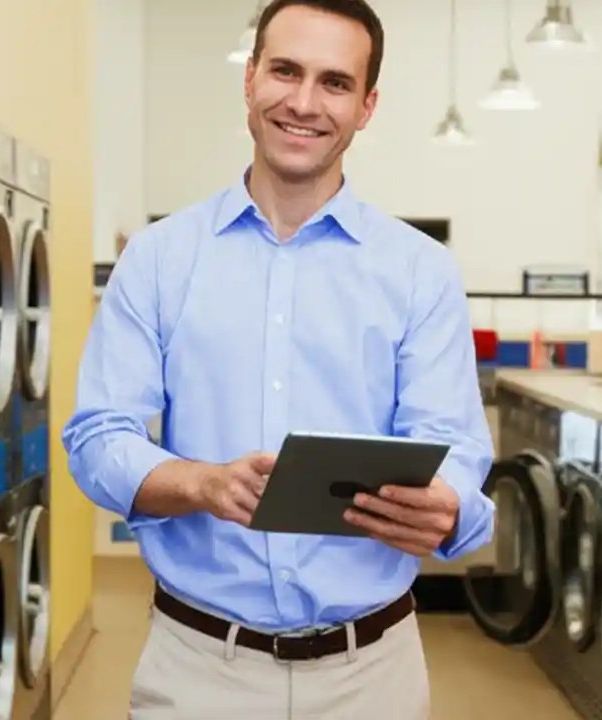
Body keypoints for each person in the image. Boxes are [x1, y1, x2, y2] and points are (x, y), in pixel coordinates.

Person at [61, 0, 495, 716]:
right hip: (198, 671)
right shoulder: (160, 259)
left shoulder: (421, 272)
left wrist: (446, 511)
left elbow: (452, 454)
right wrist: (200, 483)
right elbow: (97, 440)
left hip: (371, 679)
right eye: (285, 71)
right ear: (249, 79)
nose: (303, 102)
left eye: (334, 82)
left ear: (366, 106)